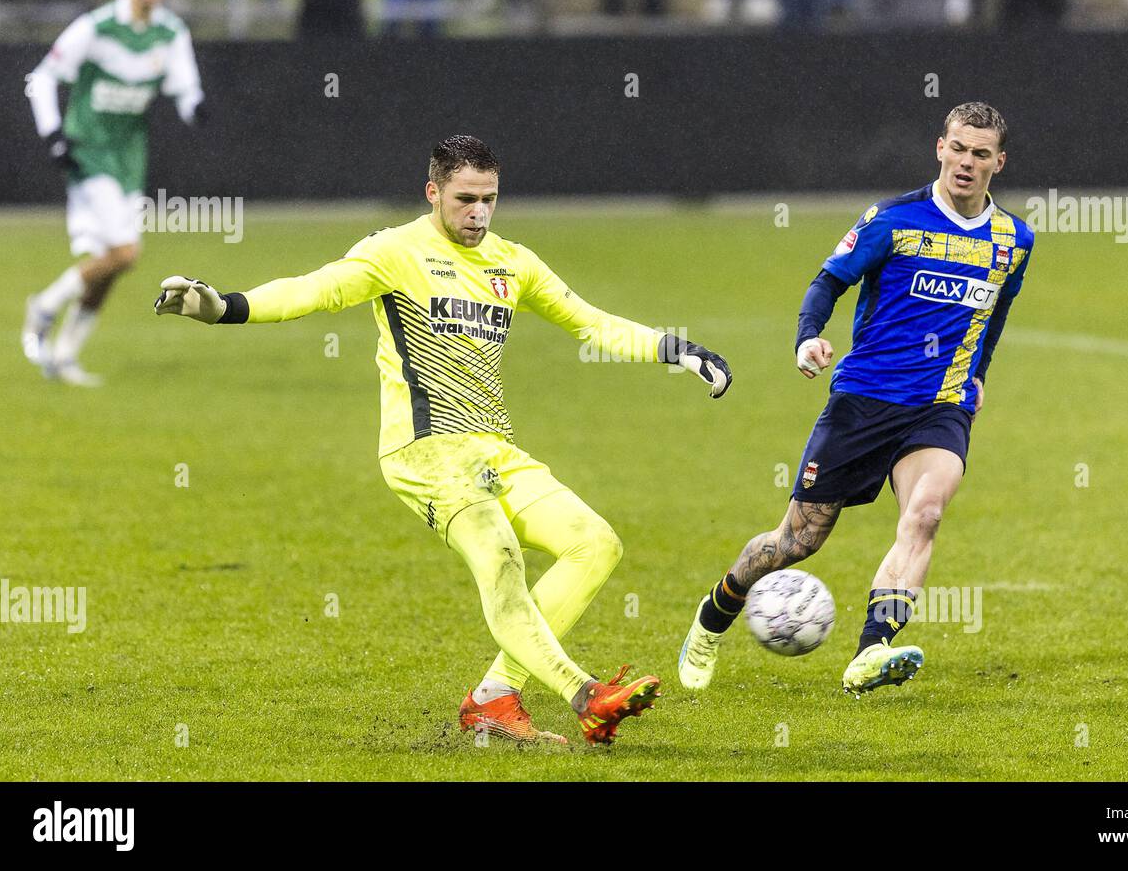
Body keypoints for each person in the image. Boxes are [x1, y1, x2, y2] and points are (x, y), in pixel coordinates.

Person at [154, 135, 734, 745]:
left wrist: (679, 350)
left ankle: (493, 700)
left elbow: (590, 321)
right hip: (424, 452)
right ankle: (584, 694)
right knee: (502, 558)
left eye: (489, 199)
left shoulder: (513, 262)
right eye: (464, 199)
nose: (478, 213)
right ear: (433, 193)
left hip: (494, 449)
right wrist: (225, 307)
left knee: (595, 544)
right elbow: (315, 289)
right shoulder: (395, 251)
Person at [678, 102, 1034, 696]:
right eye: (957, 148)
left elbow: (994, 317)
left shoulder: (1013, 241)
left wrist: (980, 376)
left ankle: (872, 651)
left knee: (925, 514)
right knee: (797, 541)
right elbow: (829, 281)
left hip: (939, 406)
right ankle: (713, 617)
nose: (966, 163)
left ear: (999, 161)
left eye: (980, 154)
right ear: (939, 148)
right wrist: (807, 339)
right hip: (863, 400)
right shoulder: (893, 219)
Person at [22, 0, 205, 387]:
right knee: (125, 253)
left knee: (111, 263)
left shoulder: (170, 33)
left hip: (128, 157)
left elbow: (187, 89)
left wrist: (197, 110)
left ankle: (63, 356)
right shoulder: (96, 27)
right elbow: (41, 78)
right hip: (88, 150)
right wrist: (52, 135)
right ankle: (43, 306)